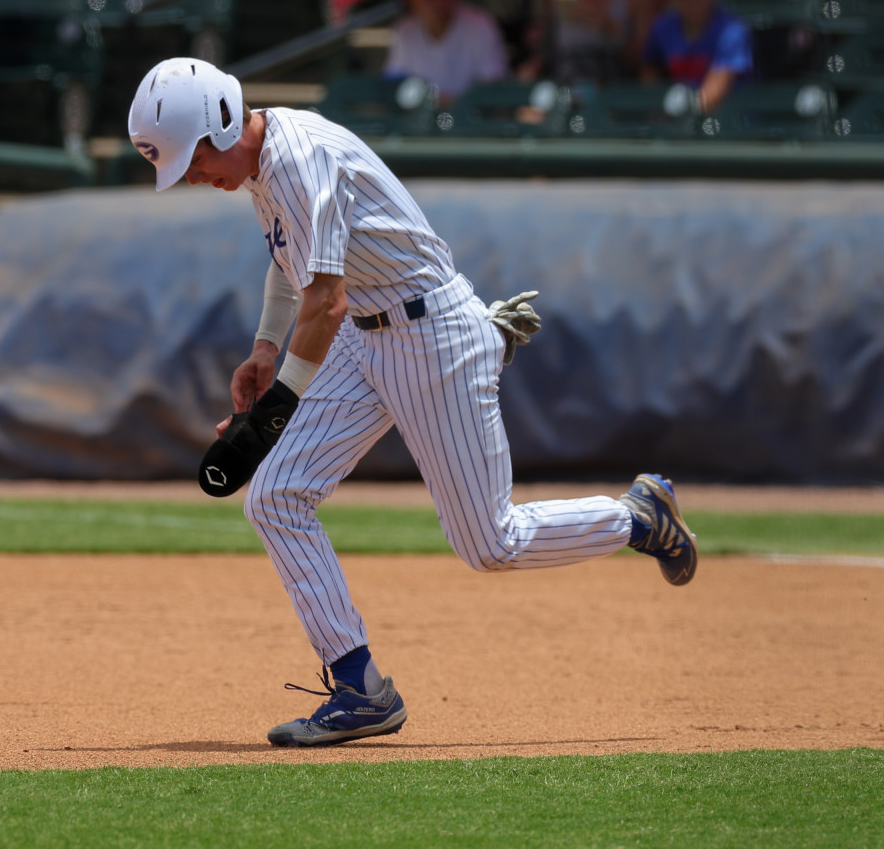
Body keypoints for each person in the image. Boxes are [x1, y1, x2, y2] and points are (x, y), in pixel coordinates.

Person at [127, 57, 700, 748]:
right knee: (276, 498)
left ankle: (637, 518)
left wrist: (278, 407)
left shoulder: (301, 158)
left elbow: (327, 299)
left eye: (193, 158)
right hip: (368, 337)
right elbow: (294, 267)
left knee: (490, 544)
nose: (193, 174)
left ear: (222, 121)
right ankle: (358, 686)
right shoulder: (262, 165)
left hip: (433, 339)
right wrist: (264, 349)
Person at [382, 0, 509, 104]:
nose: (440, 1)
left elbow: (494, 85)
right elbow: (395, 82)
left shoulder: (481, 24)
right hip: (418, 121)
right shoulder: (405, 28)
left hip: (470, 120)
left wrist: (454, 104)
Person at [519, 0, 661, 84]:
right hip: (565, 86)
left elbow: (646, 63)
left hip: (615, 89)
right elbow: (545, 51)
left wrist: (611, 30)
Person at [641, 0, 753, 113]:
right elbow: (649, 67)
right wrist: (655, 102)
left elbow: (713, 93)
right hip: (681, 118)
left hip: (728, 122)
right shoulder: (662, 28)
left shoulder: (732, 30)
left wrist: (674, 113)